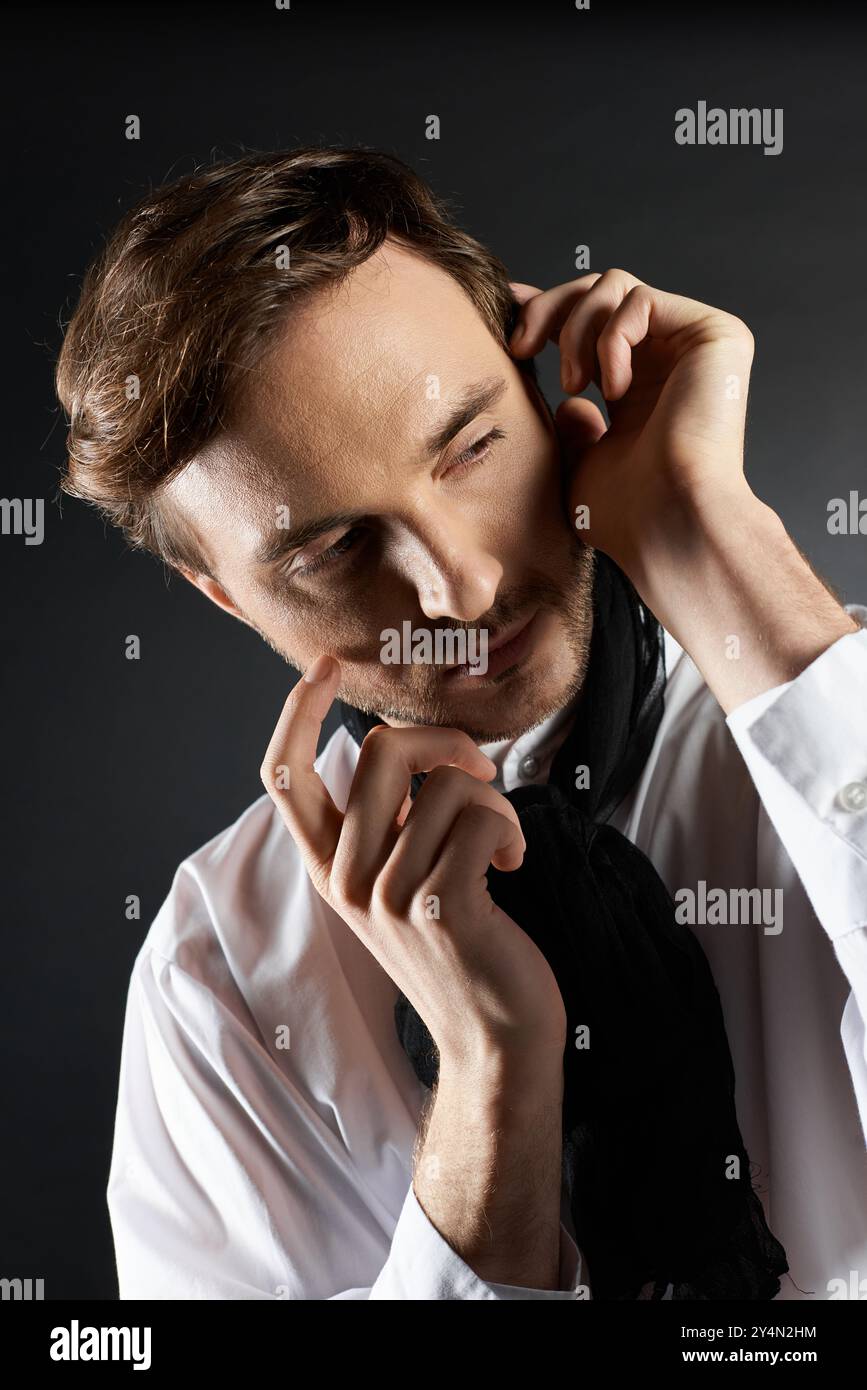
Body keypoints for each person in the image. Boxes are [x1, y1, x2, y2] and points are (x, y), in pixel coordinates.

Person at [55, 147, 867, 1300]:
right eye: (334, 548)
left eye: (472, 448)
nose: (460, 591)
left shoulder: (839, 717)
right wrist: (491, 1089)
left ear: (541, 389)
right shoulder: (222, 981)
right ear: (228, 597)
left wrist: (726, 545)